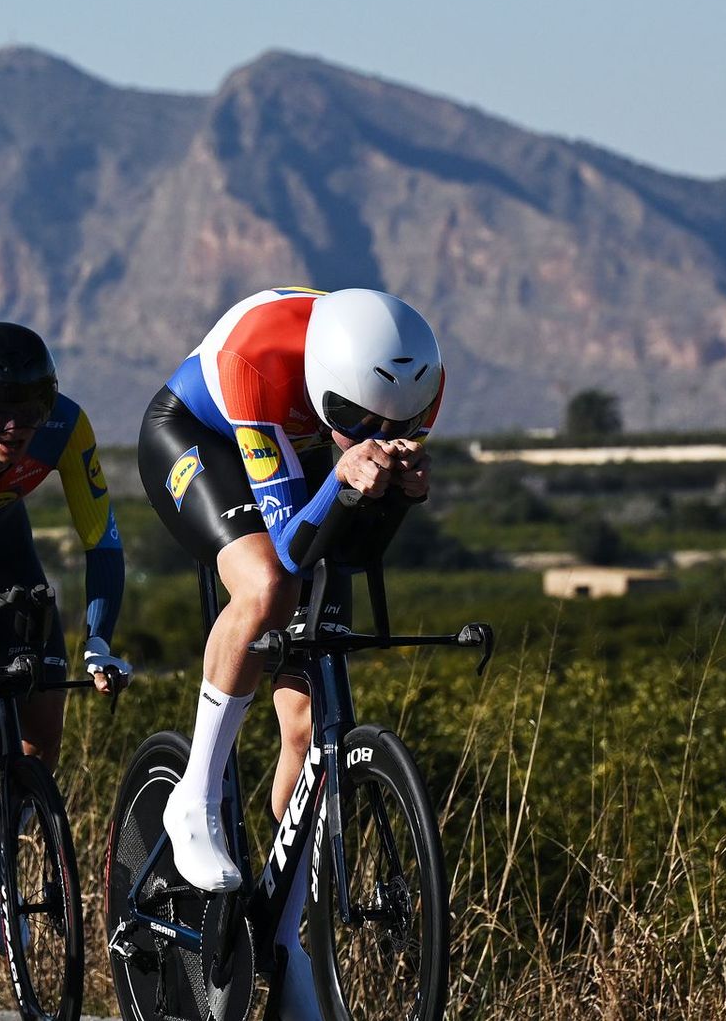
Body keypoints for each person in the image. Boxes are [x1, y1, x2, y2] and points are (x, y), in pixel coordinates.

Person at [139, 286, 441, 1018]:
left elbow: (353, 548)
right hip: (200, 439)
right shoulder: (261, 357)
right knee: (268, 585)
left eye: (397, 425)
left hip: (300, 451)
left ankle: (285, 936)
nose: (376, 431)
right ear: (327, 387)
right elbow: (290, 547)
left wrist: (396, 495)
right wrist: (343, 474)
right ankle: (195, 798)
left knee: (308, 725)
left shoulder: (408, 374)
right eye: (357, 420)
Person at [0, 321, 131, 763]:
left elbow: (101, 540)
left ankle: (9, 821)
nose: (13, 427)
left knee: (44, 715)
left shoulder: (66, 426)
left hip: (2, 543)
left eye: (29, 412)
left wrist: (98, 642)